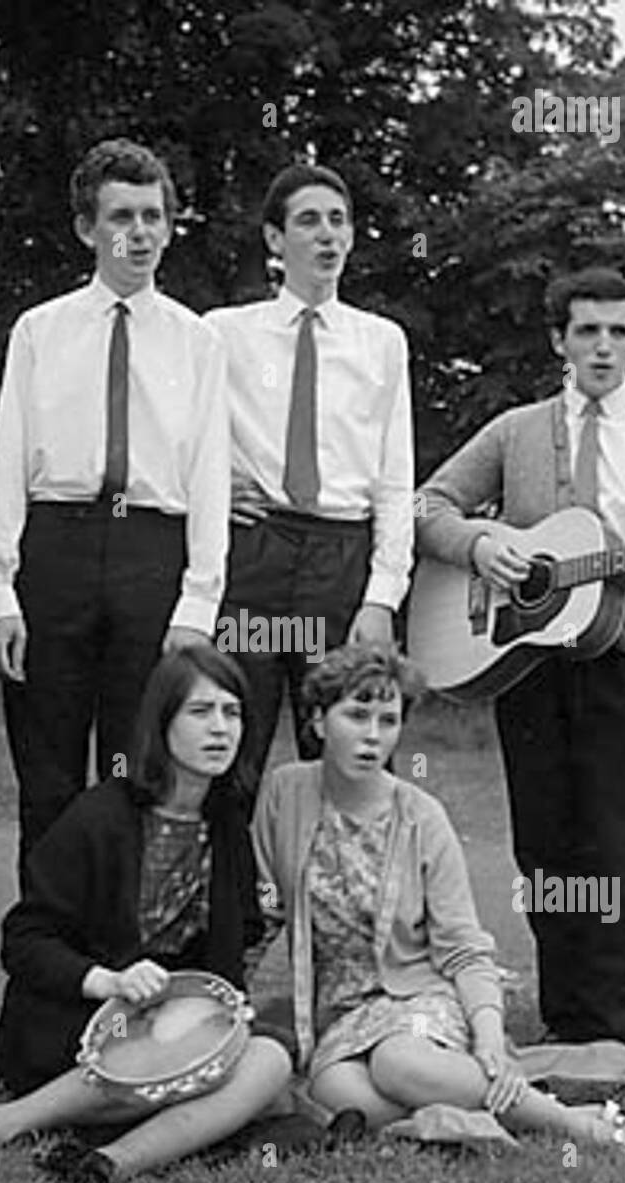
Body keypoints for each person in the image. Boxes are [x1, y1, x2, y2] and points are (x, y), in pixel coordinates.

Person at [416, 267, 625, 1048]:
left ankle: (606, 1022)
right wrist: (483, 543)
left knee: (619, 839)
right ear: (558, 339)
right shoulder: (514, 431)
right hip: (527, 659)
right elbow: (429, 505)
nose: (603, 346)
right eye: (587, 330)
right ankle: (565, 1004)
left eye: (618, 330)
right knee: (544, 838)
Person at [253, 643, 625, 1161]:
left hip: (420, 996)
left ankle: (590, 1131)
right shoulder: (285, 793)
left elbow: (464, 948)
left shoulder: (421, 817)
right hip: (341, 1009)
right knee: (339, 1098)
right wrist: (224, 997)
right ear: (318, 721)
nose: (372, 735)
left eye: (388, 721)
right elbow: (263, 910)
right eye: (356, 715)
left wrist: (490, 1040)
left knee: (399, 1064)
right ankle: (518, 1110)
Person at [0, 644, 293, 1183]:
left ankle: (105, 1163)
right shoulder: (101, 816)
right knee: (171, 1057)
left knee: (269, 1060)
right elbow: (24, 942)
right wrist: (108, 980)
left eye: (232, 713)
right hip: (76, 1019)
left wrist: (224, 1013)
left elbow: (234, 944)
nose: (221, 728)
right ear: (163, 722)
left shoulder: (226, 825)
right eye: (201, 713)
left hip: (167, 1027)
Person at [0, 139, 230, 892]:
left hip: (153, 555)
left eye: (155, 215)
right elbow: (10, 463)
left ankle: (131, 961)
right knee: (48, 775)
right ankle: (50, 972)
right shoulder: (39, 330)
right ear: (88, 228)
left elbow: (211, 475)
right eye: (122, 215)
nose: (141, 232)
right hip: (56, 547)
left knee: (142, 769)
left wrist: (199, 601)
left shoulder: (197, 340)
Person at [204, 164, 413, 787]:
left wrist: (382, 597)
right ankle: (227, 888)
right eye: (308, 221)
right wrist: (209, 492)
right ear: (275, 240)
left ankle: (351, 886)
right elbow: (182, 443)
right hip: (254, 553)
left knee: (353, 758)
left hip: (341, 561)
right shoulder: (223, 334)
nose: (327, 236)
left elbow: (396, 480)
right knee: (229, 753)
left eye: (338, 221)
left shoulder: (381, 342)